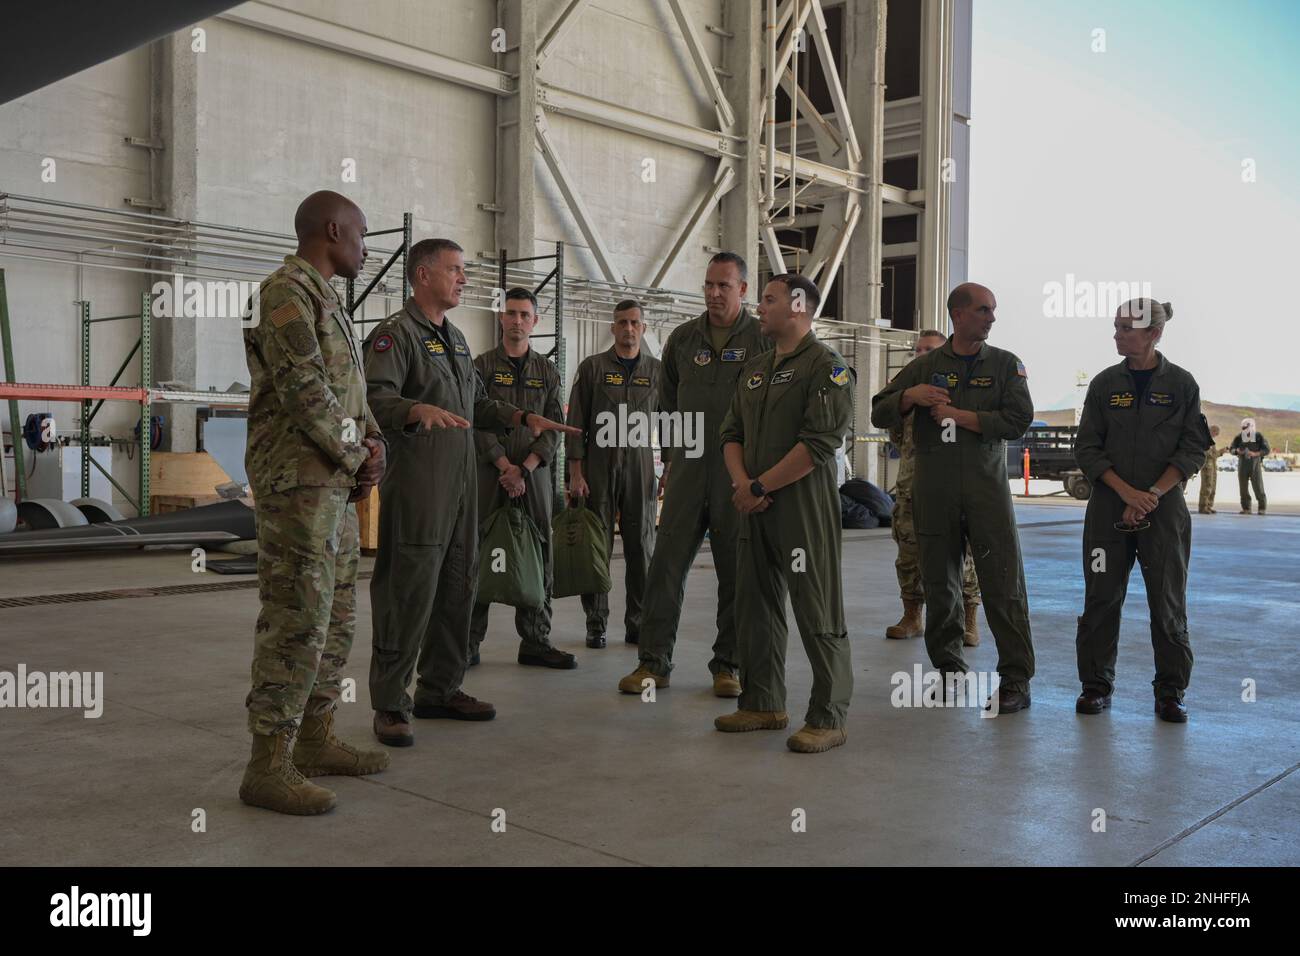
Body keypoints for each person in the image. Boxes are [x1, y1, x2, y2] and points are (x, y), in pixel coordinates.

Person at [364, 239, 576, 746]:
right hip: (420, 490)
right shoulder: (397, 336)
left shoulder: (455, 340)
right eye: (454, 270)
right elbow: (375, 397)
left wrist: (523, 416)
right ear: (422, 275)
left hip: (462, 492)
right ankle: (391, 703)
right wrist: (416, 411)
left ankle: (441, 688)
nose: (463, 279)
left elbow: (479, 404)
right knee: (407, 593)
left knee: (457, 591)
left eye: (464, 270)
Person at [240, 190, 389, 816]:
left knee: (336, 617)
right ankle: (266, 765)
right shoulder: (283, 295)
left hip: (333, 485)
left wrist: (373, 439)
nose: (363, 246)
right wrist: (361, 455)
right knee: (298, 616)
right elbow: (306, 393)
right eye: (359, 234)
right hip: (298, 488)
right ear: (332, 230)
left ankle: (314, 738)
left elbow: (348, 394)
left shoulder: (331, 302)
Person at [870, 282, 1035, 714]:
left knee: (1003, 584)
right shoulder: (925, 368)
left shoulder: (1004, 365)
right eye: (984, 310)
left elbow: (1019, 419)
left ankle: (1015, 679)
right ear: (958, 314)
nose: (992, 318)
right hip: (934, 490)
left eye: (993, 310)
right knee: (941, 587)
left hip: (986, 491)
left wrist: (961, 416)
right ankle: (948, 672)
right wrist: (909, 396)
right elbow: (877, 408)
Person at [618, 252, 770, 697]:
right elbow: (666, 407)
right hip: (687, 468)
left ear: (743, 289)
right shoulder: (683, 340)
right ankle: (653, 662)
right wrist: (669, 463)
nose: (714, 293)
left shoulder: (762, 340)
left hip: (736, 474)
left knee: (735, 570)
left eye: (724, 285)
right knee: (665, 565)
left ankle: (729, 666)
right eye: (708, 285)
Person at [717, 274, 855, 753]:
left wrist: (758, 486)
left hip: (800, 509)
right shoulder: (754, 369)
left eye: (769, 299)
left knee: (816, 606)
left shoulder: (827, 368)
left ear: (798, 306)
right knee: (755, 606)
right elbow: (730, 433)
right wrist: (742, 485)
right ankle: (763, 701)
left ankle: (829, 715)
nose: (760, 306)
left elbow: (818, 444)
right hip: (752, 506)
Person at [1072, 299, 1209, 723]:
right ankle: (1096, 687)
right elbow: (1088, 447)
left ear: (1154, 334)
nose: (1116, 335)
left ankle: (1170, 692)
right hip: (1107, 511)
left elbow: (1192, 448)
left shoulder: (1182, 385)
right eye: (1115, 327)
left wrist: (1149, 494)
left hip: (1163, 513)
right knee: (1100, 600)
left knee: (1167, 603)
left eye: (1125, 329)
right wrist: (1127, 493)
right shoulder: (1103, 384)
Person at [468, 288, 575, 670]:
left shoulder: (547, 372)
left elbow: (552, 429)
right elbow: (475, 421)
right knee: (479, 551)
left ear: (535, 321)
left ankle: (535, 640)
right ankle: (468, 643)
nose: (517, 320)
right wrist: (502, 466)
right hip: (488, 474)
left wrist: (525, 468)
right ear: (501, 318)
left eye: (524, 314)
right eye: (511, 313)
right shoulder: (479, 366)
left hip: (535, 478)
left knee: (540, 551)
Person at [565, 300, 661, 649]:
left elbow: (670, 421)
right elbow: (575, 423)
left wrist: (672, 467)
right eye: (622, 322)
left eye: (635, 322)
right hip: (598, 464)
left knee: (641, 547)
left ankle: (638, 623)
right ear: (613, 327)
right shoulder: (592, 368)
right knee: (597, 547)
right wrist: (575, 472)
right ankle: (596, 622)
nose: (629, 328)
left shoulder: (657, 370)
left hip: (640, 464)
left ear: (644, 328)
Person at [886, 329, 982, 645]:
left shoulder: (959, 392)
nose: (922, 354)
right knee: (908, 553)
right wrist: (909, 397)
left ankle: (969, 621)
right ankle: (912, 616)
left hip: (953, 486)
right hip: (911, 486)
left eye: (930, 349)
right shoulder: (907, 389)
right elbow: (892, 427)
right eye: (918, 349)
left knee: (963, 556)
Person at [1229, 418, 1270, 514]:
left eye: (1246, 428)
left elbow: (1266, 450)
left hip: (1254, 464)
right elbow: (1232, 448)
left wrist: (1255, 454)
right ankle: (1246, 508)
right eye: (1243, 428)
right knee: (1243, 487)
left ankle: (1262, 508)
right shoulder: (1239, 437)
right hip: (1242, 463)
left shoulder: (1259, 436)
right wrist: (1237, 451)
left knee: (1258, 486)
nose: (1245, 431)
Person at [1197, 424, 1221, 514]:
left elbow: (1214, 455)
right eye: (1216, 433)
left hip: (1212, 467)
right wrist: (1221, 452)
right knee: (1206, 487)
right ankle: (1203, 507)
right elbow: (1210, 455)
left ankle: (1209, 506)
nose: (1216, 435)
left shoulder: (1211, 441)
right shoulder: (1205, 440)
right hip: (1207, 467)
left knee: (1212, 487)